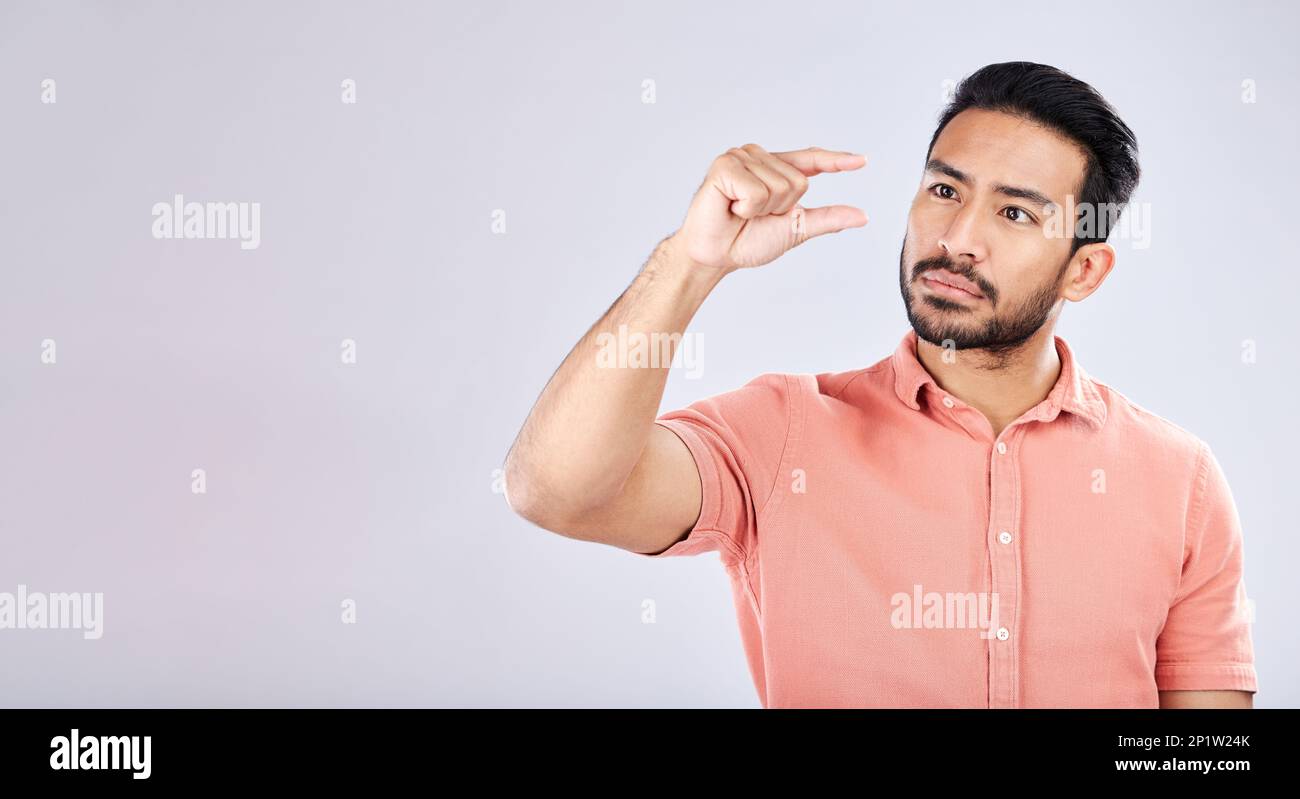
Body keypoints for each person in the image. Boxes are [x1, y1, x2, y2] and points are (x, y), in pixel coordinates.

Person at [502, 62, 1257, 709]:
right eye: (944, 191)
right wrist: (691, 262)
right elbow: (555, 490)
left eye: (1015, 212)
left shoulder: (1179, 478)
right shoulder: (784, 429)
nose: (958, 238)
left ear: (1083, 270)